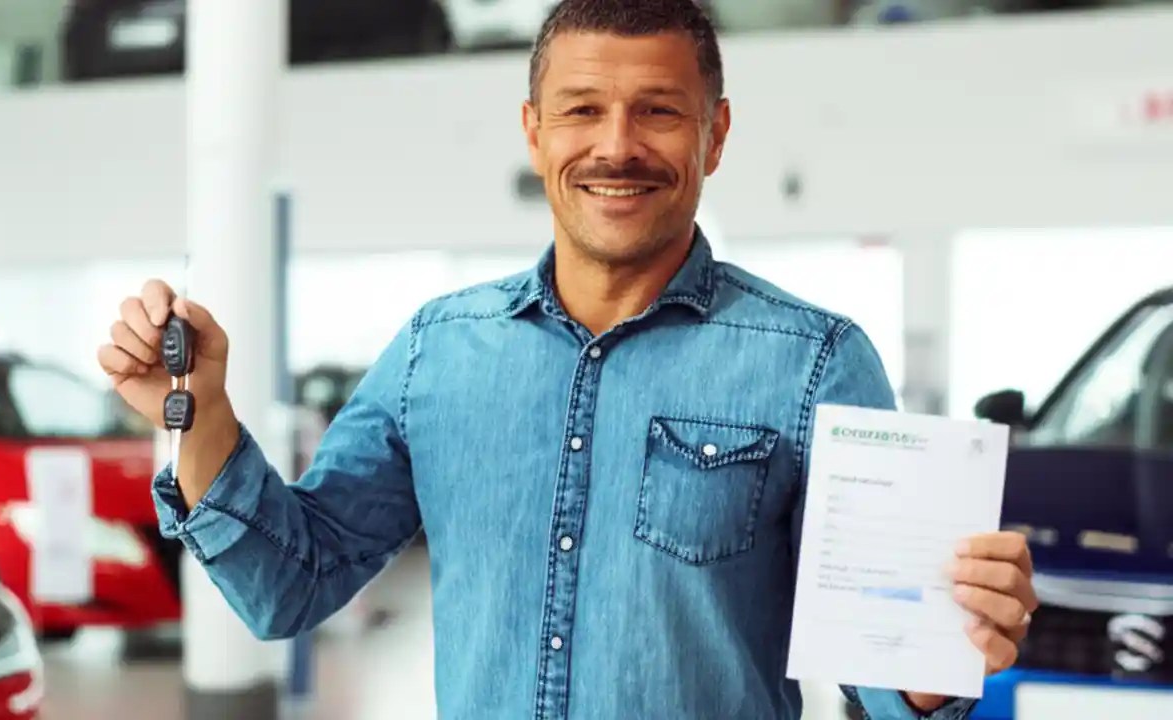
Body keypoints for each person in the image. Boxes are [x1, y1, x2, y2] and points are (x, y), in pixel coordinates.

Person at [97, 1, 1038, 717]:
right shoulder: (438, 351)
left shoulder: (816, 365)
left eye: (658, 112)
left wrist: (939, 660)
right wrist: (202, 414)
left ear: (715, 134)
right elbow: (288, 583)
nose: (616, 147)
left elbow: (888, 680)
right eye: (582, 109)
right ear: (535, 130)